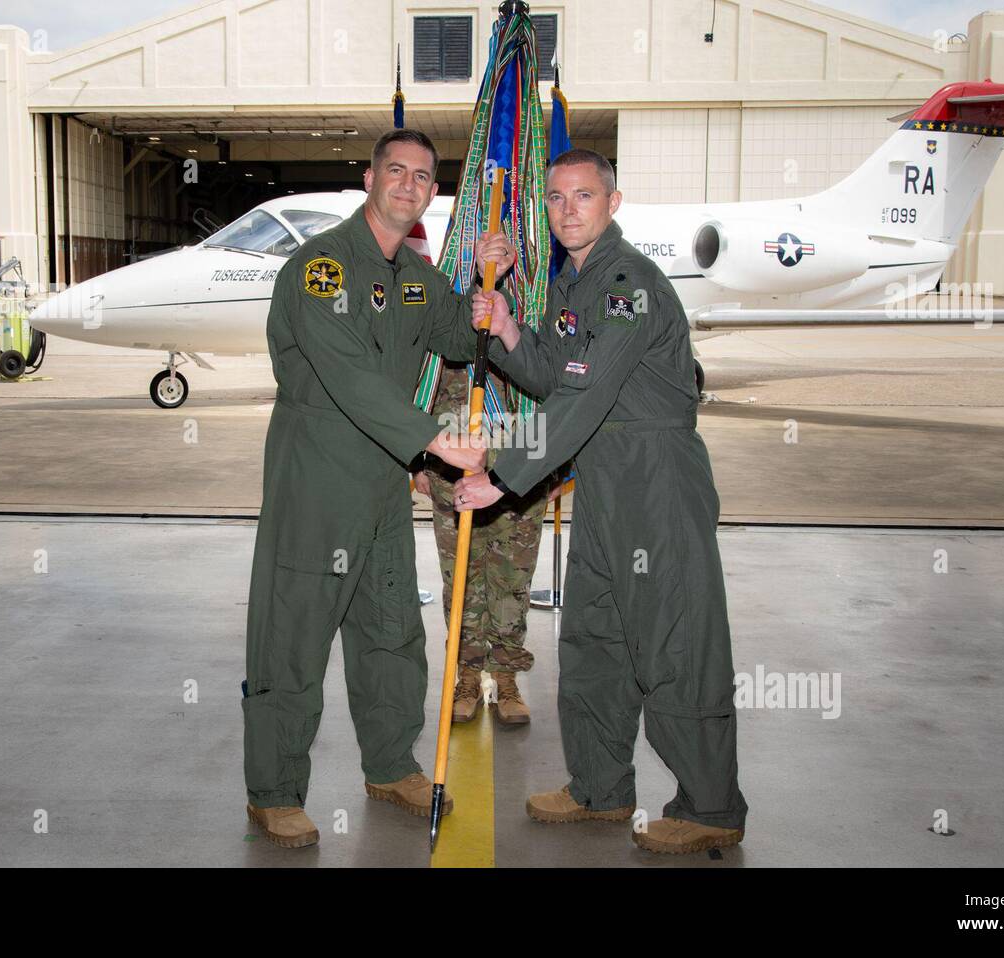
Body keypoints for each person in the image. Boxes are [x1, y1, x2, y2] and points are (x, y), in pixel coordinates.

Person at [456, 148, 748, 854]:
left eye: (582, 196)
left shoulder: (629, 285)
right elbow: (554, 377)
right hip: (603, 481)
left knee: (674, 642)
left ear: (612, 203)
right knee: (594, 639)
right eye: (555, 198)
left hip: (656, 483)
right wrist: (506, 330)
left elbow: (587, 394)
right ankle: (599, 788)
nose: (566, 210)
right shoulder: (575, 286)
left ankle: (710, 805)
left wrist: (504, 476)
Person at [243, 129, 486, 849]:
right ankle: (274, 792)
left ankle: (389, 764)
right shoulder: (320, 270)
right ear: (370, 177)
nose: (408, 184)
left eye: (421, 176)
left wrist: (483, 291)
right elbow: (347, 373)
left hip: (383, 482)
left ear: (431, 194)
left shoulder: (414, 274)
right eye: (396, 170)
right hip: (318, 478)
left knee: (390, 632)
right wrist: (435, 440)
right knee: (294, 636)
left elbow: (458, 336)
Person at [413, 360, 550, 725]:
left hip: (518, 481)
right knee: (462, 586)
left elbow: (553, 395)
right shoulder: (447, 319)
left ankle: (506, 679)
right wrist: (415, 462)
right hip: (453, 480)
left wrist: (553, 468)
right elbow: (414, 390)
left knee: (511, 585)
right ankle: (468, 679)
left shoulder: (526, 313)